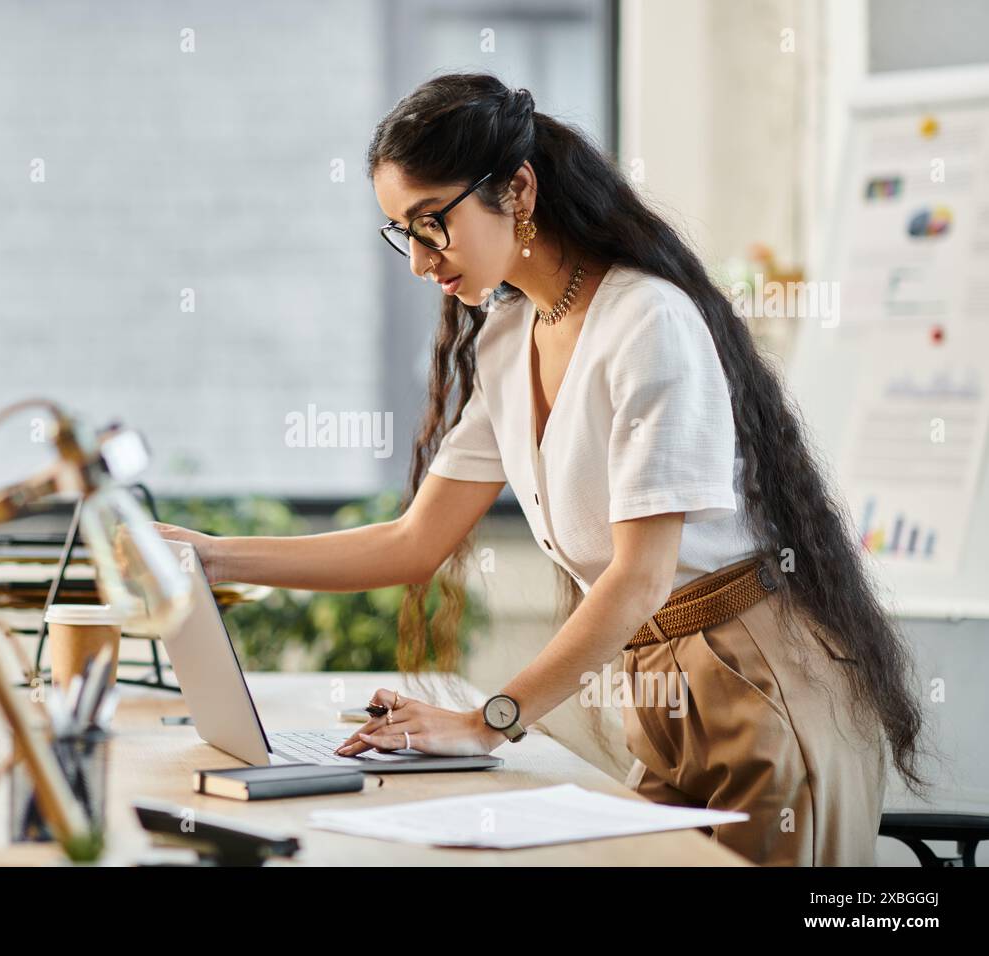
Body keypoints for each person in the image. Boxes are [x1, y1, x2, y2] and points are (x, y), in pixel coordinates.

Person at [155, 73, 928, 866]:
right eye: (402, 233)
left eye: (432, 225)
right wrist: (209, 557)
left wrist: (490, 718)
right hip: (664, 686)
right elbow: (415, 541)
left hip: (759, 679)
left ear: (517, 190)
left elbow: (638, 579)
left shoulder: (645, 322)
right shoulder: (508, 334)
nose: (420, 263)